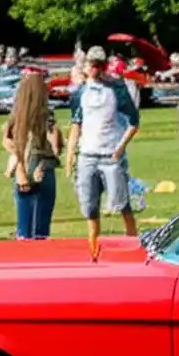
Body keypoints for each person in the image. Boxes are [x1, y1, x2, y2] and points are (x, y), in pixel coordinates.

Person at [66, 46, 140, 258]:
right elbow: (75, 124)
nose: (95, 70)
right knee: (89, 206)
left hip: (110, 155)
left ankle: (134, 242)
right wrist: (71, 155)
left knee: (122, 202)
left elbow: (134, 122)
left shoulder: (116, 88)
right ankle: (93, 249)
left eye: (99, 65)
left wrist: (120, 147)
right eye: (91, 65)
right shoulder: (81, 91)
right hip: (87, 155)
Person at [3, 69, 62, 240]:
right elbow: (54, 144)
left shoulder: (16, 116)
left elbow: (9, 141)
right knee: (41, 227)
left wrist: (18, 169)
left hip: (26, 164)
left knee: (25, 225)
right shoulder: (46, 115)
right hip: (43, 164)